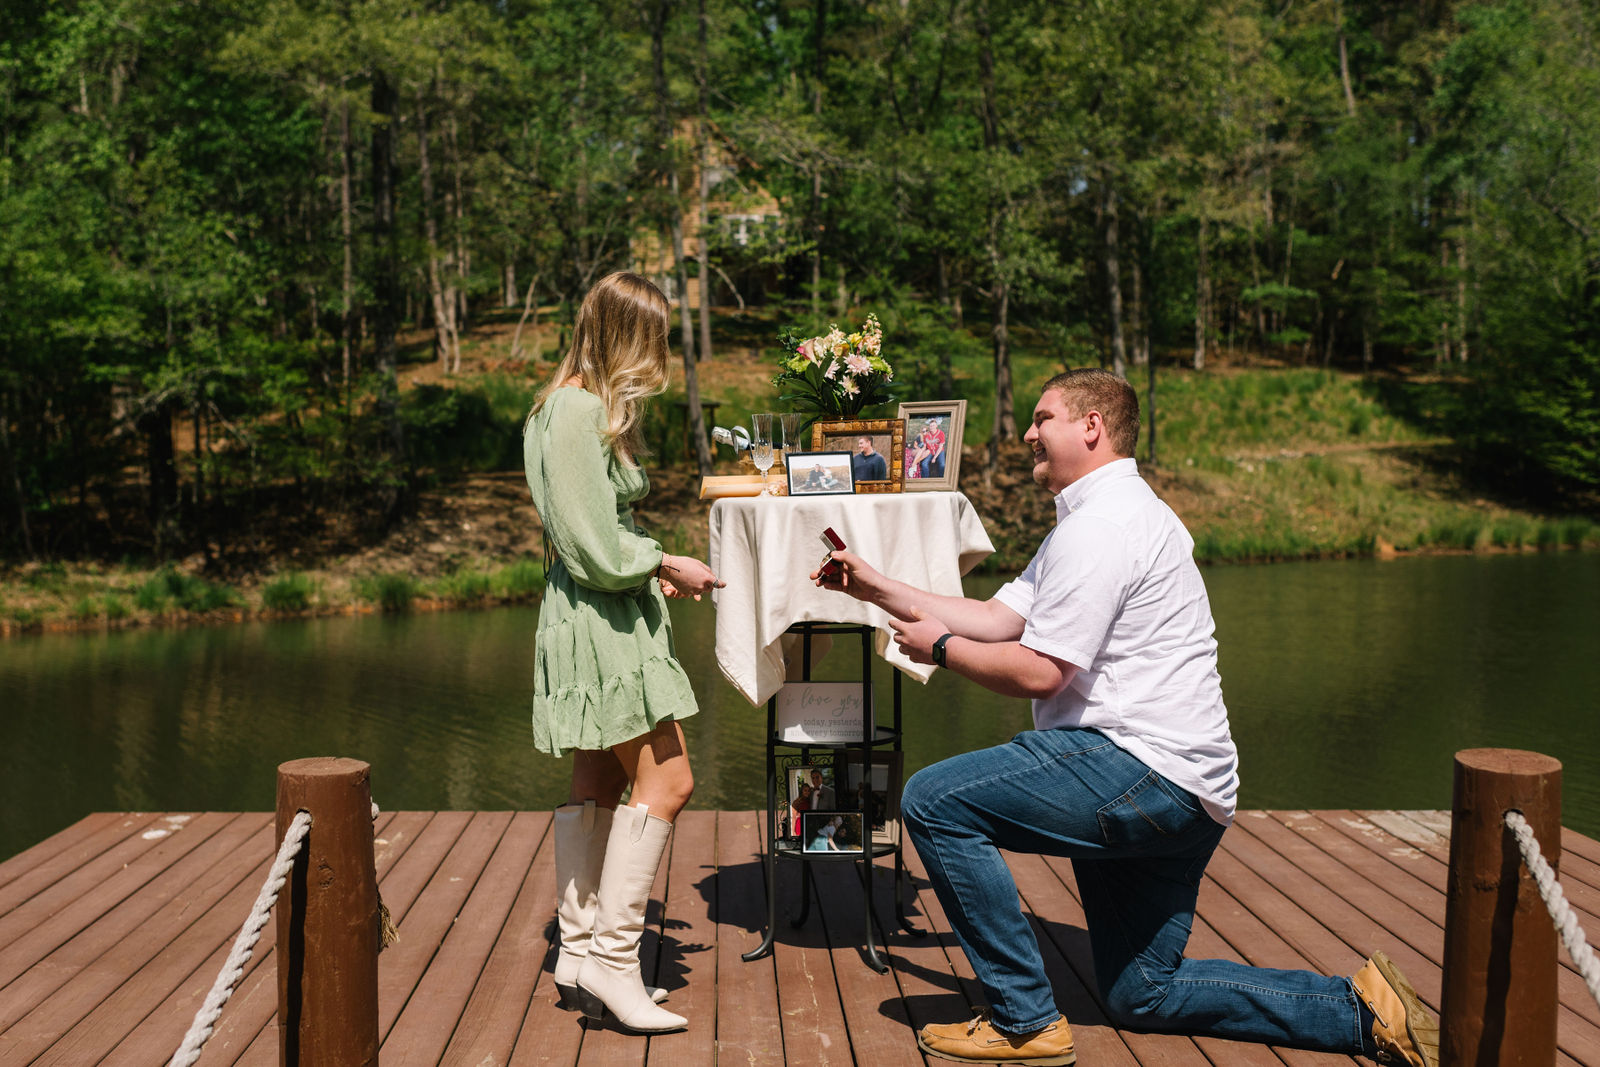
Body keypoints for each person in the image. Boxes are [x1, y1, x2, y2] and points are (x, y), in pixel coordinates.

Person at [813, 368, 1437, 1067]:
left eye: (1042, 418)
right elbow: (996, 616)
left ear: (1092, 426)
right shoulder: (1106, 516)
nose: (1027, 433)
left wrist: (942, 649)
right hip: (1190, 789)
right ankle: (1362, 1013)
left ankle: (1023, 1019)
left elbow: (1042, 671)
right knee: (1142, 993)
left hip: (1138, 770)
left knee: (935, 802)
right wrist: (876, 587)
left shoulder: (1102, 526)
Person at [523, 271, 724, 1035]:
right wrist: (664, 560)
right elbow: (594, 548)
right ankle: (613, 961)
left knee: (599, 780)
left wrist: (642, 565)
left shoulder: (559, 407)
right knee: (670, 779)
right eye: (656, 339)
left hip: (589, 612)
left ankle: (578, 951)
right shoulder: (576, 412)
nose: (660, 356)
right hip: (601, 622)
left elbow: (590, 536)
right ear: (628, 337)